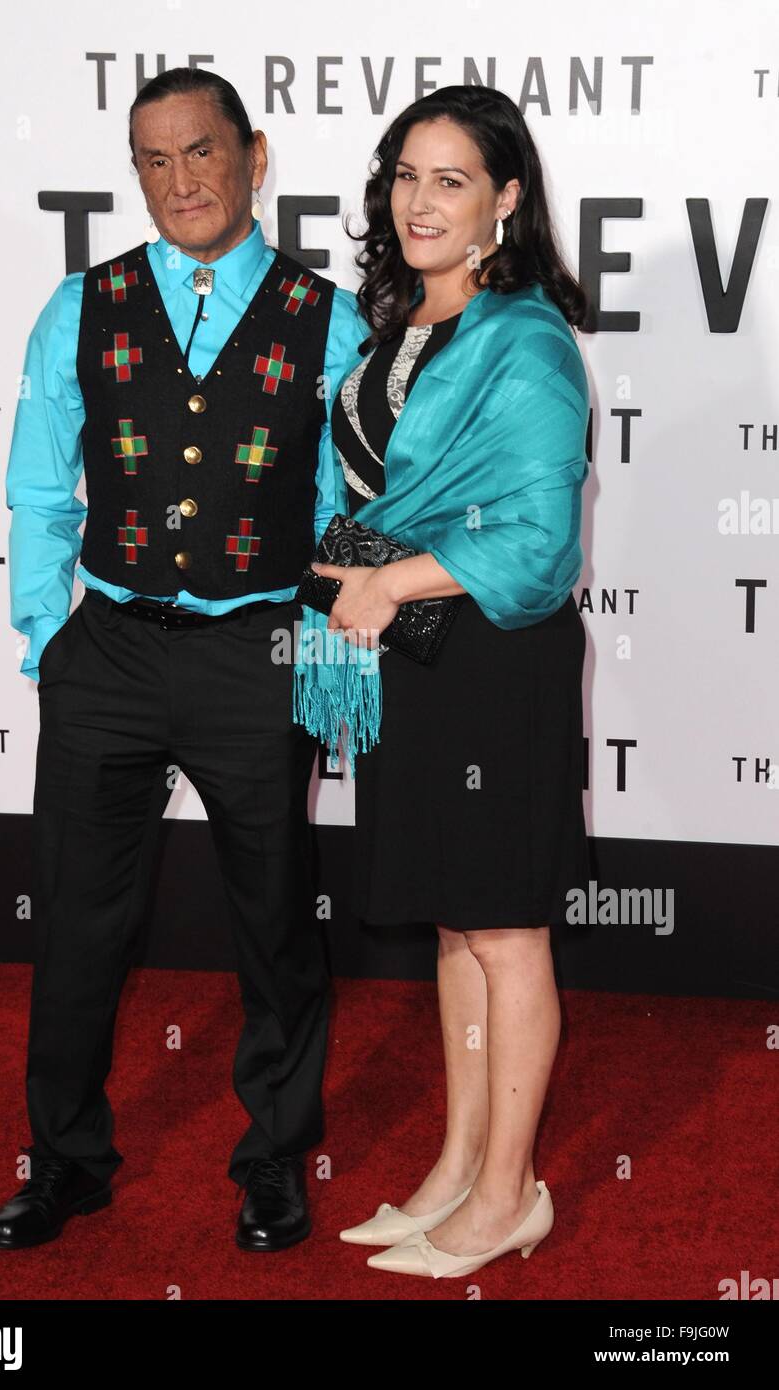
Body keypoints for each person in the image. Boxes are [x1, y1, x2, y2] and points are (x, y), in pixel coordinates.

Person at [0, 67, 366, 1254]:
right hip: (105, 651)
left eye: (200, 152)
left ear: (255, 157)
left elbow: (344, 507)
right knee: (80, 926)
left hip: (257, 653)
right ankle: (66, 1161)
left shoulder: (327, 315)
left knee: (272, 921)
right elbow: (43, 482)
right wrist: (49, 636)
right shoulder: (79, 305)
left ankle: (273, 1161)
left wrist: (319, 654)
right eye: (152, 160)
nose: (178, 181)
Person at [293, 84, 591, 1279]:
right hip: (409, 652)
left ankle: (510, 1193)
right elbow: (357, 485)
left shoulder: (524, 339)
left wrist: (385, 579)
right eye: (405, 175)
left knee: (507, 929)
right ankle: (458, 1164)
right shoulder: (396, 318)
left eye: (450, 179)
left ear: (504, 200)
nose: (418, 201)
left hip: (486, 652)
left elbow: (533, 540)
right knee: (456, 921)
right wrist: (342, 565)